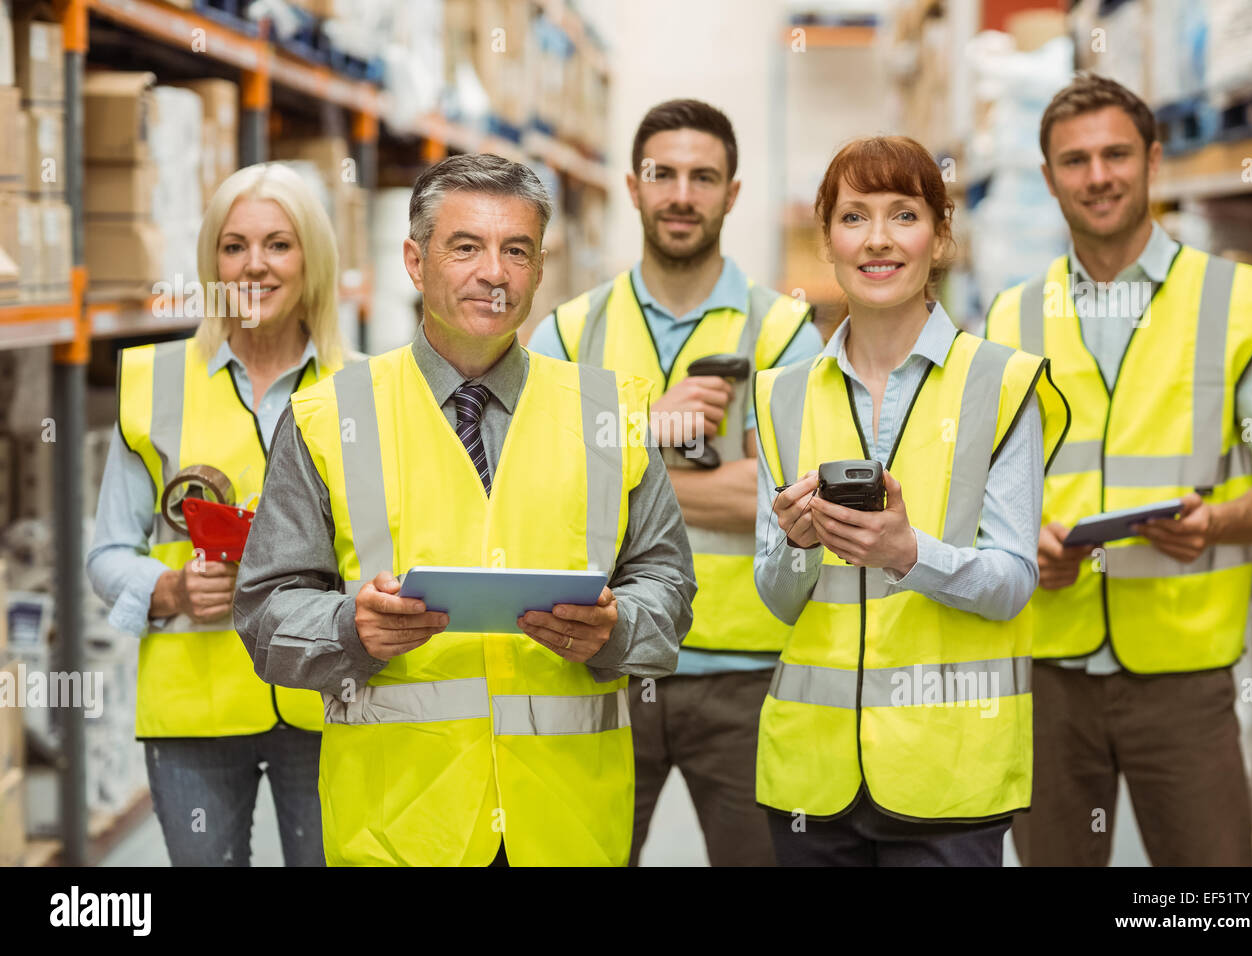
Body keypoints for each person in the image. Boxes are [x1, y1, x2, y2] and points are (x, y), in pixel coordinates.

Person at [233, 153, 696, 867]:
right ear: (415, 263)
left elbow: (668, 588)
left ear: (540, 269)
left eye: (517, 251)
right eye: (467, 247)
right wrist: (348, 627)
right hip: (400, 830)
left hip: (568, 826)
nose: (495, 273)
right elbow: (265, 612)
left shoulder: (607, 412)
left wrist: (616, 629)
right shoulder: (331, 416)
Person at [984, 73, 1252, 867]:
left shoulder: (1239, 299)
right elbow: (980, 499)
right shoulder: (1010, 316)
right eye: (1076, 160)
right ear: (1049, 174)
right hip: (1048, 669)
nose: (1098, 177)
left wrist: (1217, 523)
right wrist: (1026, 547)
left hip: (1183, 675)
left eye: (1116, 154)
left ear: (1154, 159)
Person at [753, 136, 1069, 867]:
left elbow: (1015, 581)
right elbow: (776, 596)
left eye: (904, 214)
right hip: (811, 779)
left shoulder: (1002, 383)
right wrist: (797, 547)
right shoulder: (782, 394)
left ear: (941, 235)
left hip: (948, 784)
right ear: (826, 237)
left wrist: (909, 553)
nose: (879, 239)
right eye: (854, 217)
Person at [529, 99, 823, 866]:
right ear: (633, 186)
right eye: (663, 174)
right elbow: (537, 496)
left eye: (703, 177)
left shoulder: (783, 332)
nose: (681, 194)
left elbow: (782, 502)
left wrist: (612, 462)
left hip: (746, 678)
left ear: (732, 193)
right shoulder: (569, 331)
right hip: (601, 664)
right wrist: (646, 428)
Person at [86, 163, 350, 866]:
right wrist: (169, 590)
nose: (253, 265)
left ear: (312, 260)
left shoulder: (365, 391)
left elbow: (389, 552)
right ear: (212, 262)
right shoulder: (155, 383)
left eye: (278, 245)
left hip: (325, 697)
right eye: (234, 246)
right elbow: (107, 552)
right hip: (192, 711)